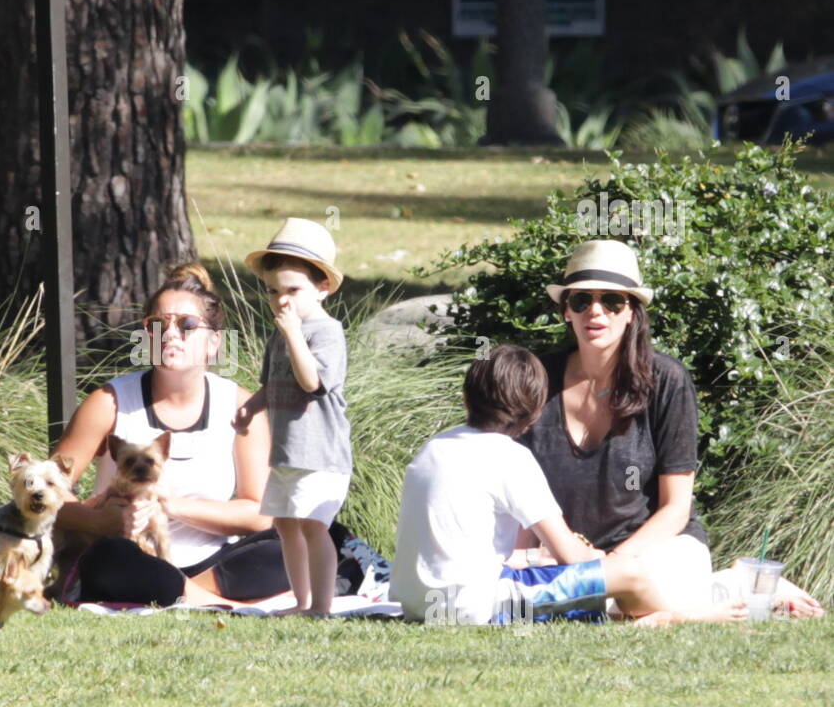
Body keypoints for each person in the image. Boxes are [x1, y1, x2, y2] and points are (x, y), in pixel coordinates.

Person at [515, 240, 824, 617]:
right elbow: (522, 494)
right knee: (540, 600)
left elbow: (676, 508)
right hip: (569, 554)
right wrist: (535, 556)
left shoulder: (665, 380)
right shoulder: (537, 379)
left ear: (632, 312)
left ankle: (731, 586)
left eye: (612, 301)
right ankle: (714, 595)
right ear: (566, 310)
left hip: (652, 551)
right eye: (581, 300)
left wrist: (613, 564)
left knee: (603, 598)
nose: (595, 311)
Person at [390, 344, 740, 626]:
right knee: (628, 573)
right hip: (475, 608)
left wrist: (532, 557)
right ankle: (682, 615)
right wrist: (598, 559)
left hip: (416, 604)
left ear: (466, 399)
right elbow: (570, 556)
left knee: (568, 585)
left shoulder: (432, 449)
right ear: (535, 414)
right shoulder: (510, 458)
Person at [52, 263, 330, 607]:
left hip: (213, 562)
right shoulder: (108, 402)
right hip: (133, 554)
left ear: (214, 341)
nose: (170, 335)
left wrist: (170, 505)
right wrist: (98, 521)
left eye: (186, 326)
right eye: (157, 325)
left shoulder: (240, 406)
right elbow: (44, 491)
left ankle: (184, 591)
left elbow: (258, 512)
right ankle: (217, 602)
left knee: (304, 536)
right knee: (109, 559)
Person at [234, 218, 352, 616]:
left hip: (320, 454)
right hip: (286, 453)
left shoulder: (325, 332)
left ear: (322, 288)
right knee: (285, 524)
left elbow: (310, 381)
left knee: (313, 526)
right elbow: (272, 383)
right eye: (272, 291)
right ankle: (300, 601)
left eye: (292, 291)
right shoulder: (282, 334)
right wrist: (251, 408)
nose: (281, 301)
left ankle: (321, 606)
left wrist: (294, 335)